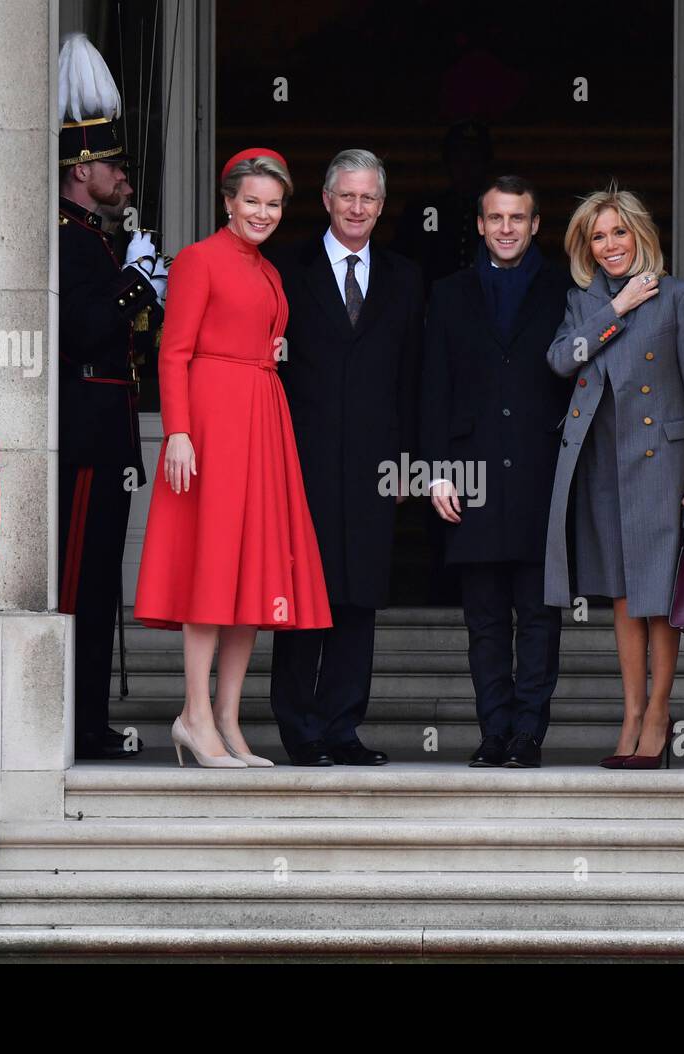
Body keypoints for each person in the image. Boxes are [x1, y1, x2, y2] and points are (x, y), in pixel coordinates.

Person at [133, 148, 331, 769]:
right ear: (228, 202)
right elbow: (174, 353)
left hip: (261, 420)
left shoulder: (270, 272)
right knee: (212, 569)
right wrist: (180, 434)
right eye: (251, 202)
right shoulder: (198, 260)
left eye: (273, 205)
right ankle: (193, 715)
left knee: (252, 576)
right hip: (212, 425)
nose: (262, 213)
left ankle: (226, 719)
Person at [544, 186, 684, 770]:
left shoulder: (677, 298)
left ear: (639, 234)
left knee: (660, 599)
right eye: (598, 236)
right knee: (621, 595)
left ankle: (659, 715)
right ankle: (631, 713)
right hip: (603, 464)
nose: (610, 245)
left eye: (619, 232)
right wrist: (614, 310)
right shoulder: (582, 302)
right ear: (585, 247)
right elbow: (561, 359)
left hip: (661, 466)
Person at [267, 149, 423, 766]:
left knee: (360, 596)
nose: (357, 208)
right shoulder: (285, 267)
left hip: (376, 465)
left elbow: (412, 376)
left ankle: (341, 727)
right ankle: (299, 728)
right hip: (299, 459)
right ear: (327, 200)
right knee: (303, 594)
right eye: (347, 196)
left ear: (381, 207)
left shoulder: (406, 276)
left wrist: (412, 459)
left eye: (369, 199)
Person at [422, 175, 572, 767]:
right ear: (480, 225)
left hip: (543, 474)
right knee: (484, 621)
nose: (505, 228)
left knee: (539, 619)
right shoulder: (449, 292)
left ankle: (528, 734)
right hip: (471, 476)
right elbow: (432, 386)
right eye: (495, 218)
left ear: (535, 225)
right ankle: (494, 731)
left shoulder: (566, 289)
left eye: (518, 218)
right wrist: (433, 472)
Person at [56, 33, 166, 760]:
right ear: (83, 168)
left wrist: (145, 297)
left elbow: (132, 344)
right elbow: (88, 330)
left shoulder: (95, 240)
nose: (124, 179)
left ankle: (89, 721)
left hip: (111, 435)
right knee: (77, 590)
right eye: (115, 167)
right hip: (86, 441)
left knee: (100, 590)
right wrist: (136, 284)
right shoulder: (67, 242)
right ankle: (71, 722)